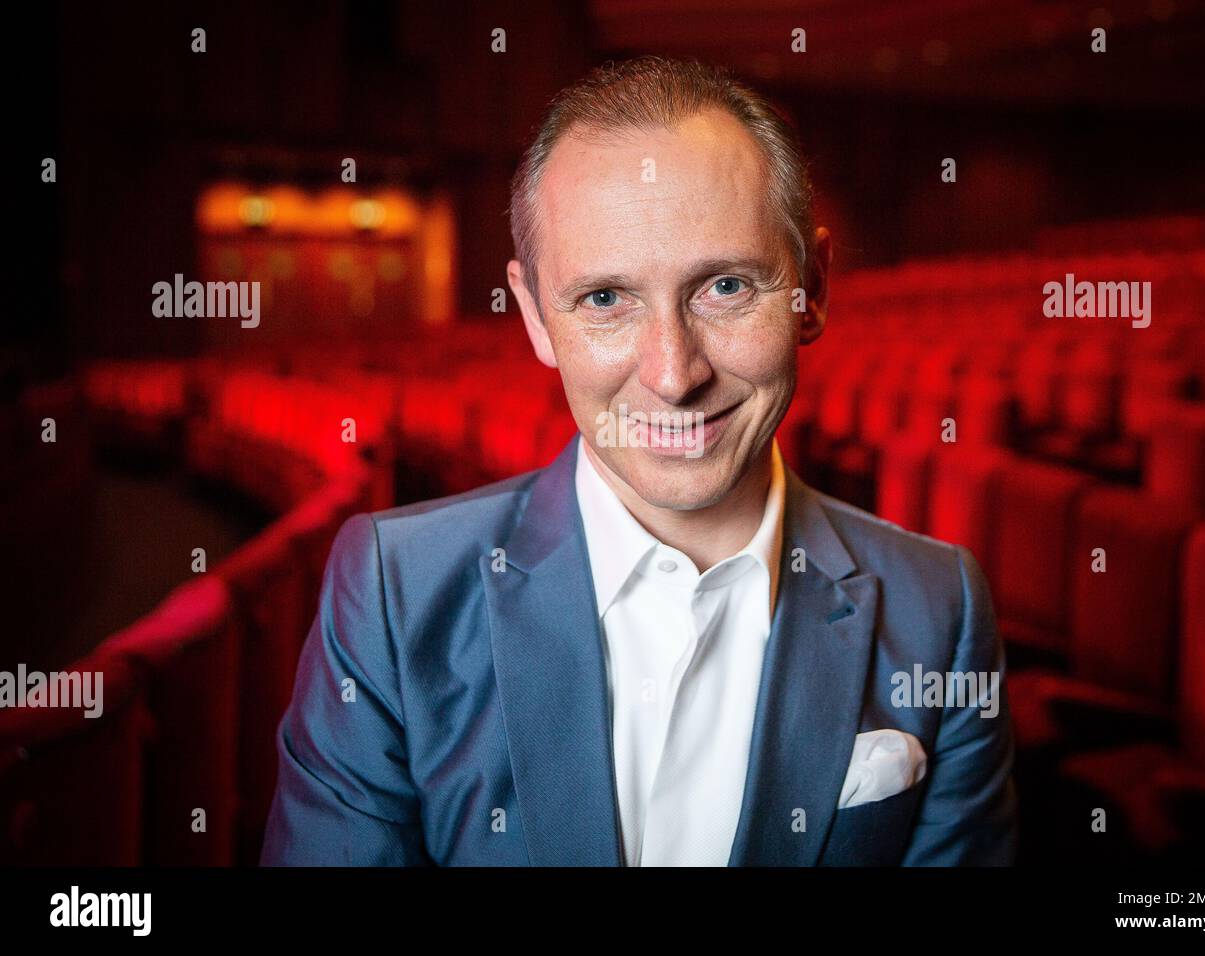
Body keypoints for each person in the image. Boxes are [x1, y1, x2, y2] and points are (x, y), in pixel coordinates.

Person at [261, 55, 1016, 866]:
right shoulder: (391, 592)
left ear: (814, 289)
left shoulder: (941, 609)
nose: (673, 373)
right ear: (535, 318)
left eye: (726, 287)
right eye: (605, 299)